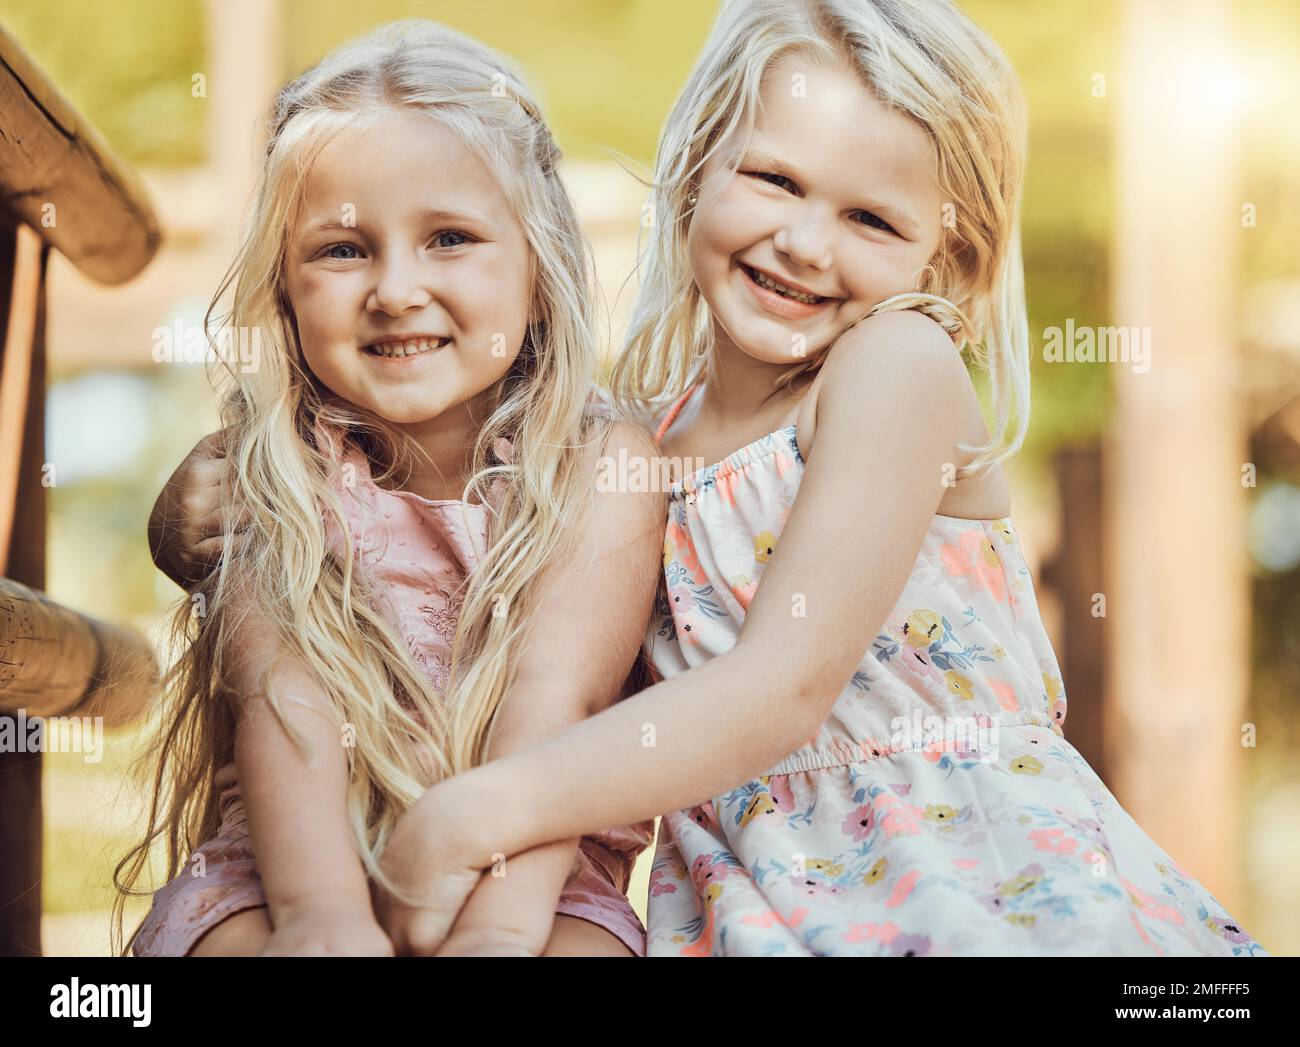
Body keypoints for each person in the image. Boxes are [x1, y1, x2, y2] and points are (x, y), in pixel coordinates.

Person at [113, 19, 662, 958]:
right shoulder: (277, 469)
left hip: (539, 873)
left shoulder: (605, 463)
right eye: (342, 250)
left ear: (538, 265)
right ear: (283, 288)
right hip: (285, 868)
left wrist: (494, 928)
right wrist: (321, 916)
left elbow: (553, 698)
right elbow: (287, 701)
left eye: (449, 238)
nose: (396, 288)